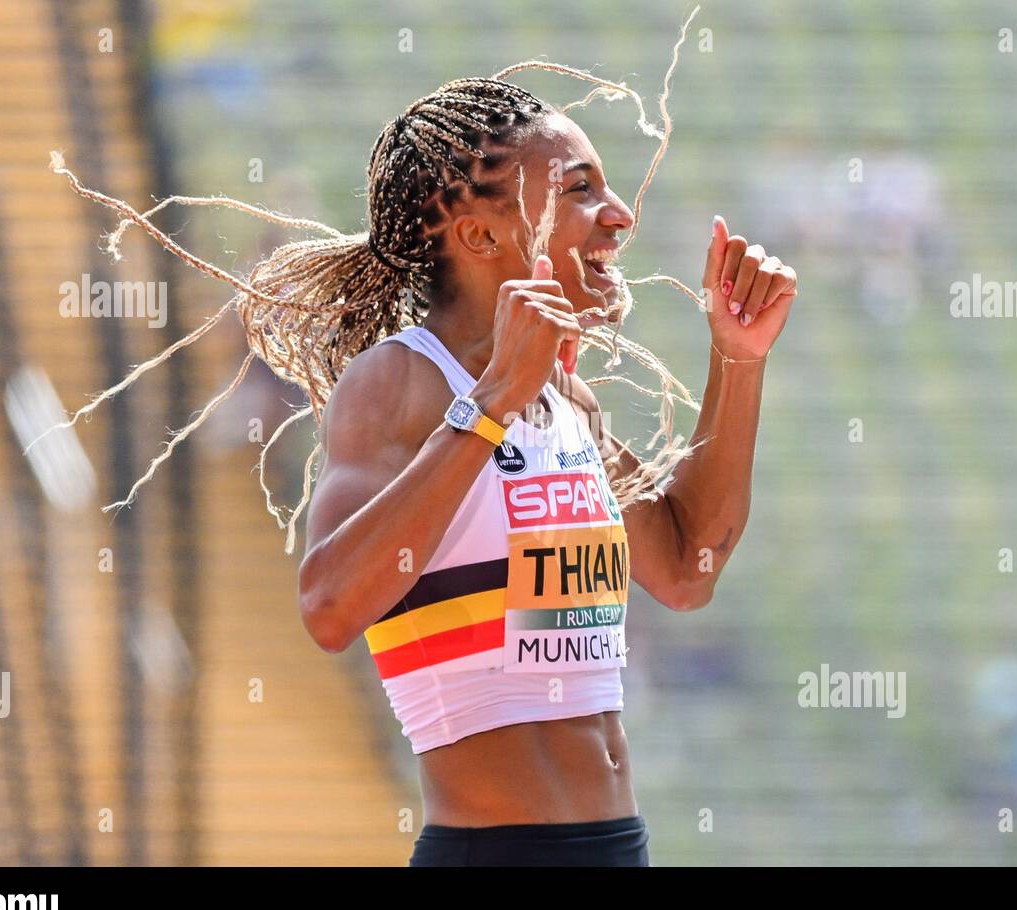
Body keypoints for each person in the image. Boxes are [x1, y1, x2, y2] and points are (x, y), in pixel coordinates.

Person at [293, 78, 797, 866]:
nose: (621, 215)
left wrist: (738, 359)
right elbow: (328, 607)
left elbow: (685, 568)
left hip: (616, 844)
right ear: (481, 236)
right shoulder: (400, 383)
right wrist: (491, 402)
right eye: (580, 190)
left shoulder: (566, 398)